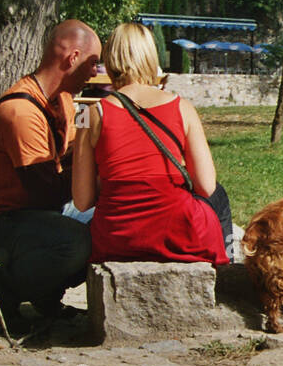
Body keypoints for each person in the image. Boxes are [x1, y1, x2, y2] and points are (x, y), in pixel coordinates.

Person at [0, 20, 101, 331]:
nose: (95, 72)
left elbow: (70, 155)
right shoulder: (21, 112)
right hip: (0, 228)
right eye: (92, 63)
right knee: (75, 243)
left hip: (38, 216)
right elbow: (45, 193)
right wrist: (96, 170)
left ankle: (44, 294)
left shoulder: (62, 101)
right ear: (72, 59)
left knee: (117, 220)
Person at [72, 23, 227, 265]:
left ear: (110, 60)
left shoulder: (89, 114)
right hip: (180, 235)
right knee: (219, 200)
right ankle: (228, 276)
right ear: (150, 56)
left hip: (118, 238)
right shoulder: (183, 107)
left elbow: (82, 201)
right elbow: (206, 187)